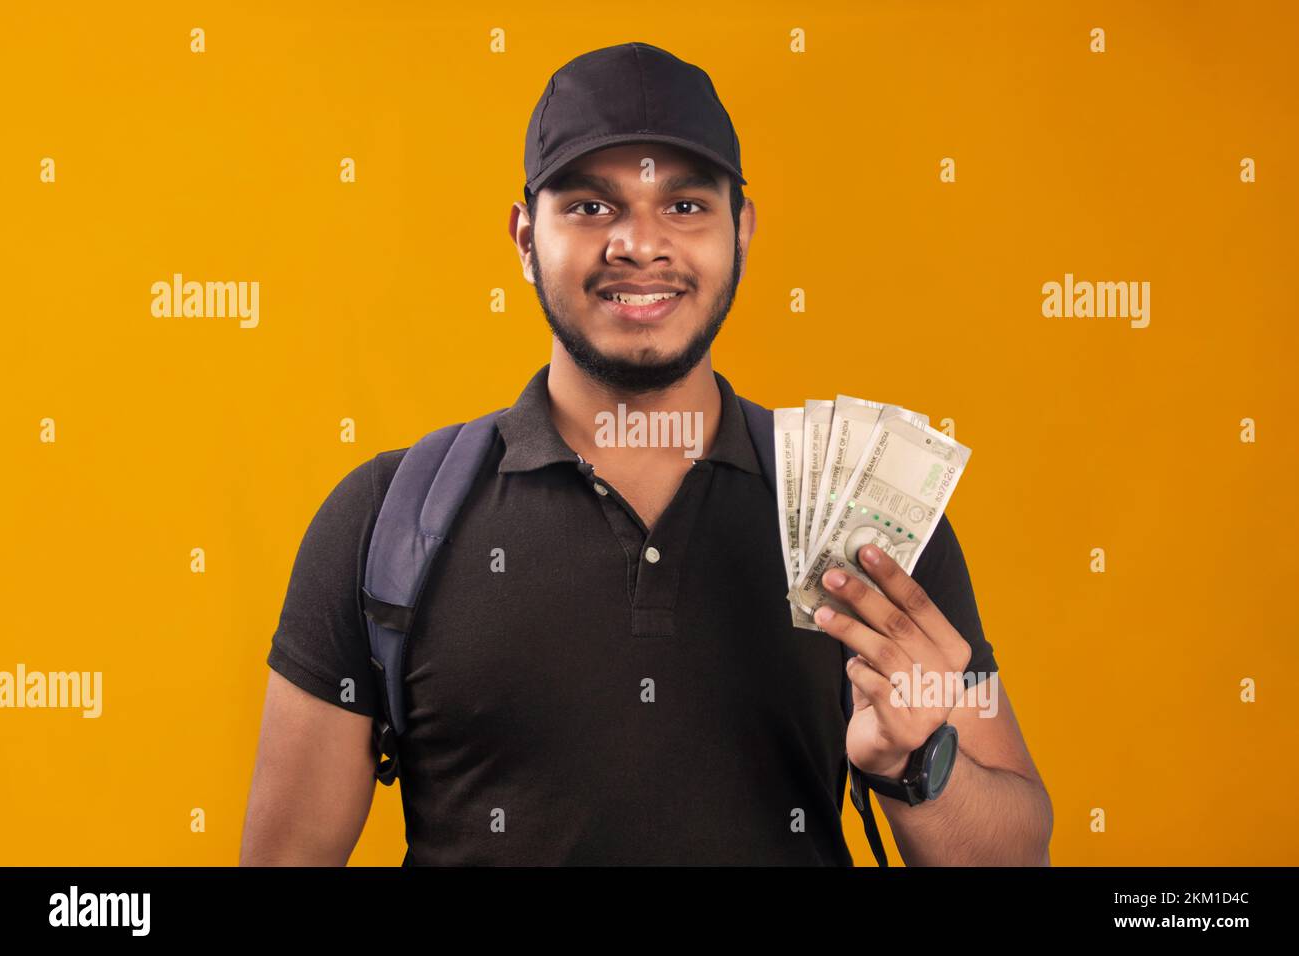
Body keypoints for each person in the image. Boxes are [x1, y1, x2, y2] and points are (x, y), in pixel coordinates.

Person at [239, 41, 1052, 866]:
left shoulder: (865, 517)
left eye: (686, 206)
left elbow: (1016, 856)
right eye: (591, 207)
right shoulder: (385, 518)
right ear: (525, 239)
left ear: (742, 228)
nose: (638, 244)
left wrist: (918, 766)